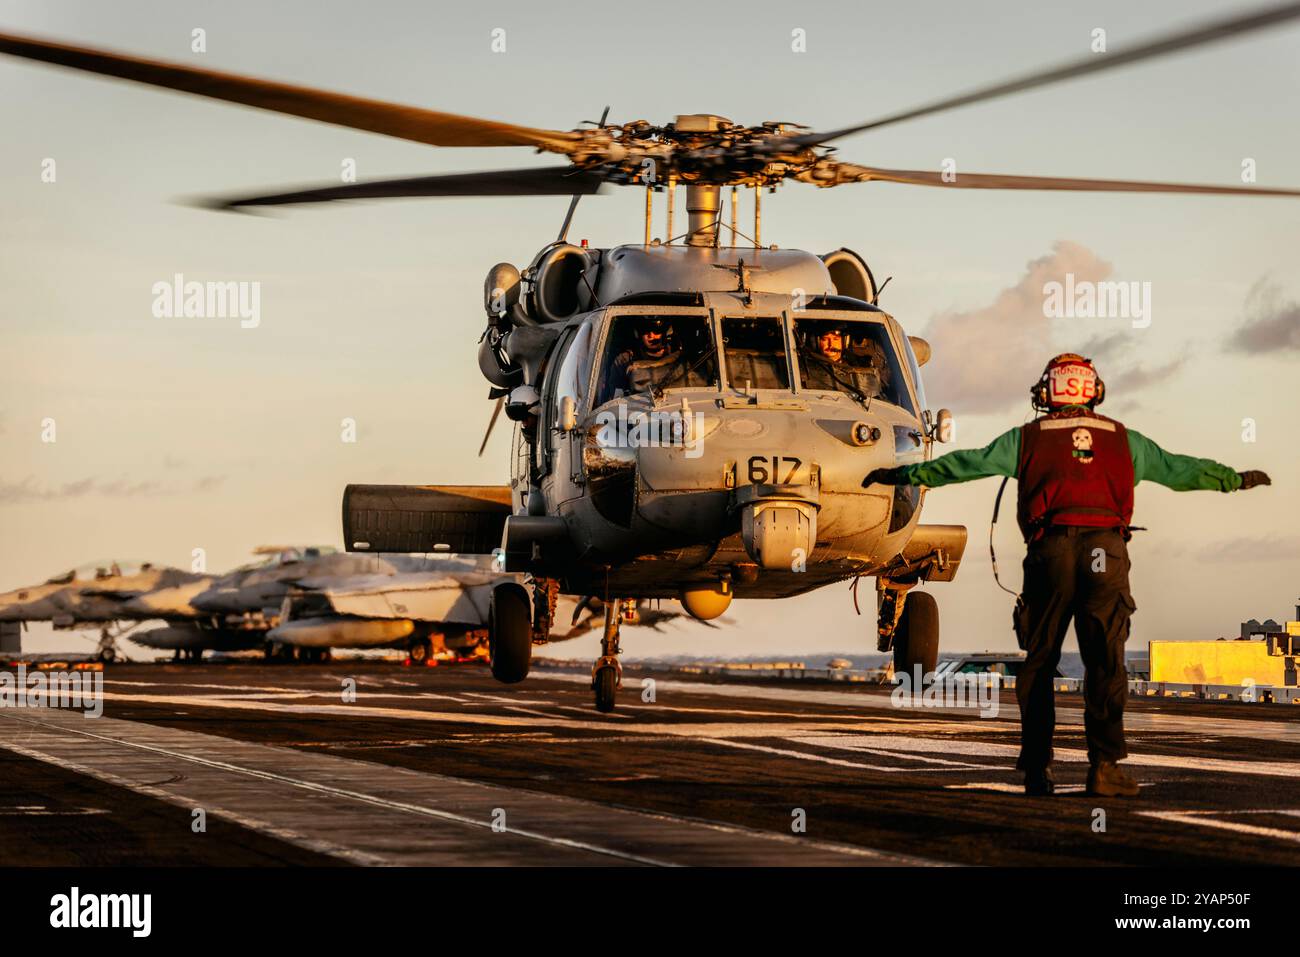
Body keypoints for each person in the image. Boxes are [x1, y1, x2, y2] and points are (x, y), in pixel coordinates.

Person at [863, 353, 1271, 797]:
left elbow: (964, 464)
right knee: (1106, 662)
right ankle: (1105, 768)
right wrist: (1234, 479)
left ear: (1047, 394)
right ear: (1093, 393)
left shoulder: (1028, 438)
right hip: (1105, 553)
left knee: (1039, 663)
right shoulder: (1122, 439)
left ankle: (1038, 771)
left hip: (1051, 553)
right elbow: (1181, 470)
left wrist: (902, 473)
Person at [610, 317, 685, 395]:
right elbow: (618, 398)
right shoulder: (624, 360)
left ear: (665, 332)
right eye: (645, 330)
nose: (651, 335)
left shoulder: (680, 356)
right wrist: (625, 407)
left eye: (657, 331)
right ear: (638, 333)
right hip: (636, 406)